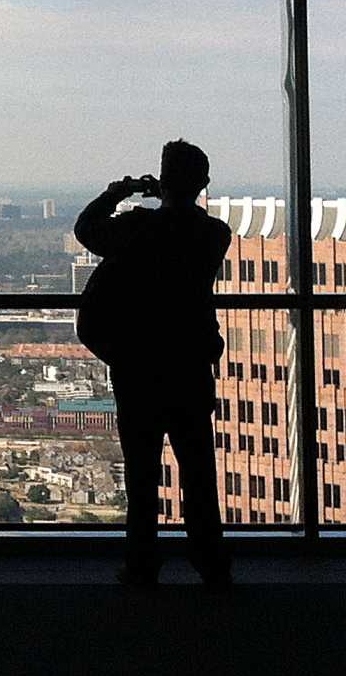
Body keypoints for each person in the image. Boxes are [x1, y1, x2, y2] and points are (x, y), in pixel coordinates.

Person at [75, 139, 233, 587]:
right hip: (187, 367)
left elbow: (86, 229)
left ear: (162, 182)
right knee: (199, 473)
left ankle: (142, 563)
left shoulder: (136, 229)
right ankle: (211, 562)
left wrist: (119, 191)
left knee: (142, 475)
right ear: (202, 184)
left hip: (138, 368)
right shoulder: (213, 235)